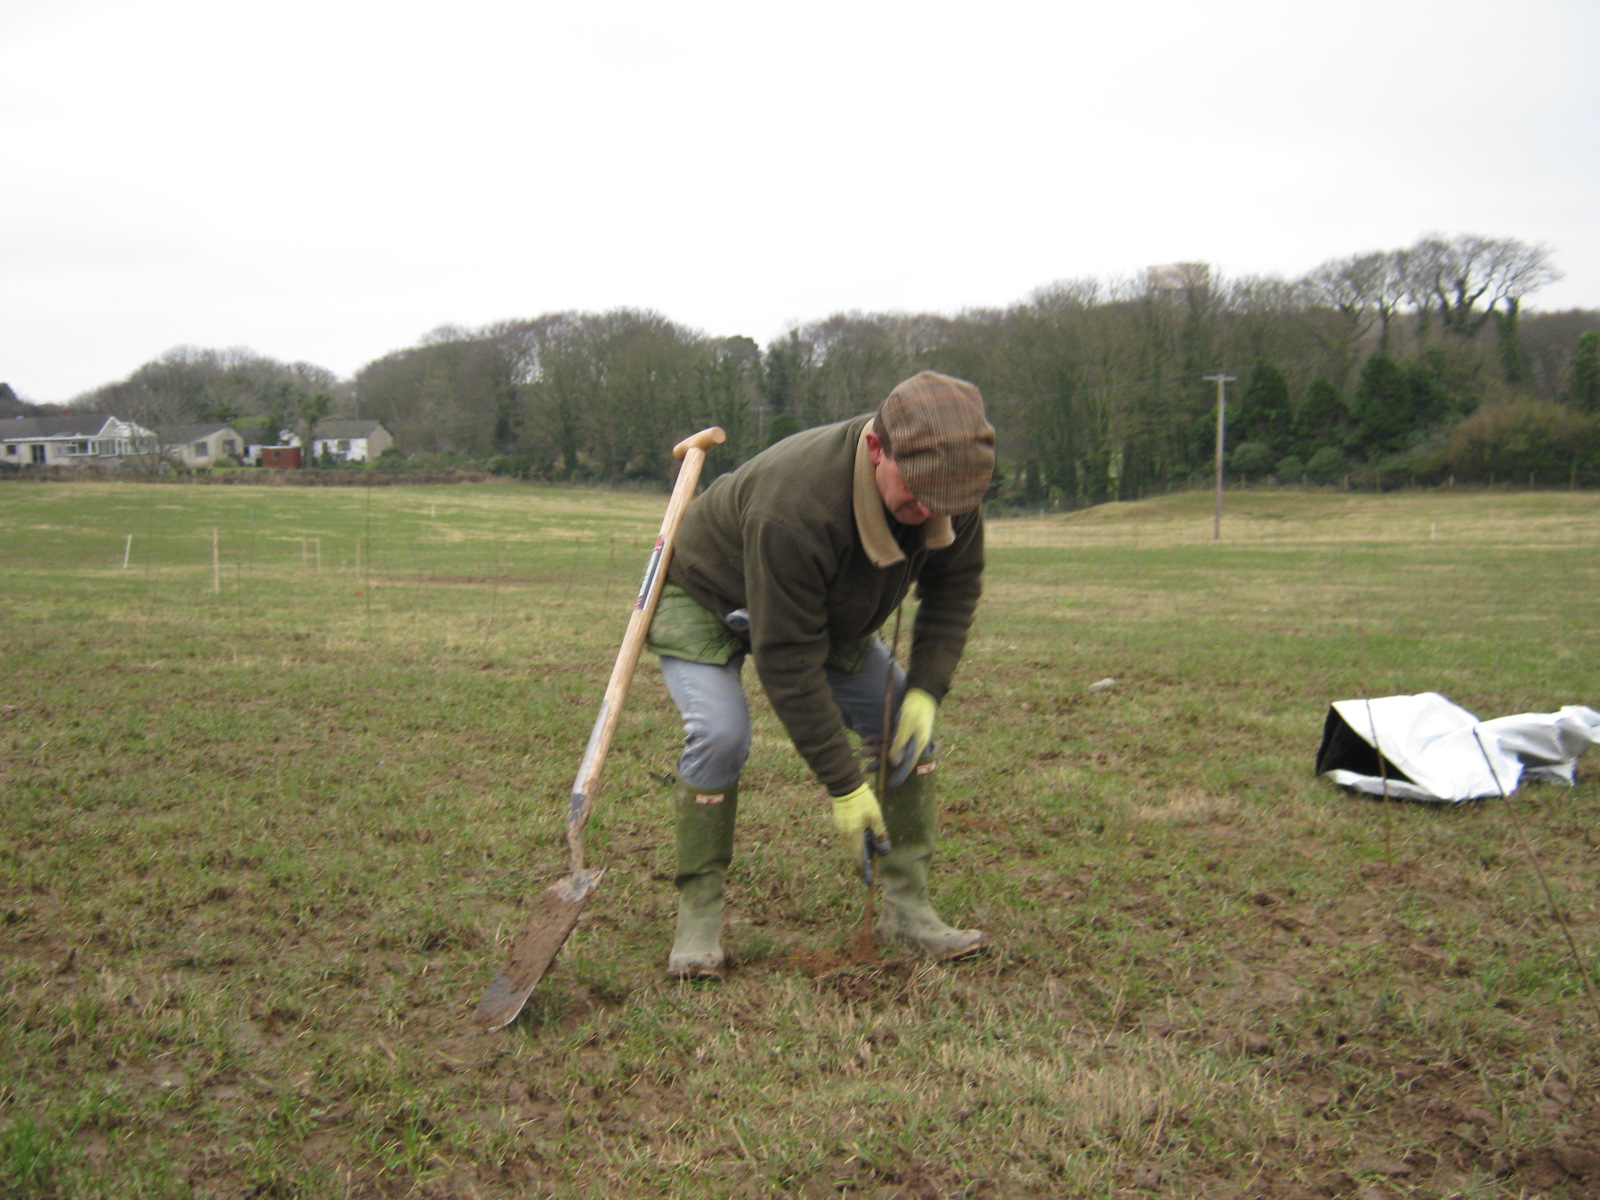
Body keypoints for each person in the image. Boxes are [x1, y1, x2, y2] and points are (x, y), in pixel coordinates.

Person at [645, 370, 996, 978]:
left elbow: (954, 588)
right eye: (915, 495)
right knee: (721, 734)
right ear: (876, 448)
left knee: (904, 727)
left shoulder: (948, 488)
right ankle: (697, 913)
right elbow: (787, 658)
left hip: (828, 607)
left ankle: (907, 909)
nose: (928, 513)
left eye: (944, 503)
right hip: (707, 592)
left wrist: (926, 692)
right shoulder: (797, 504)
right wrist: (844, 786)